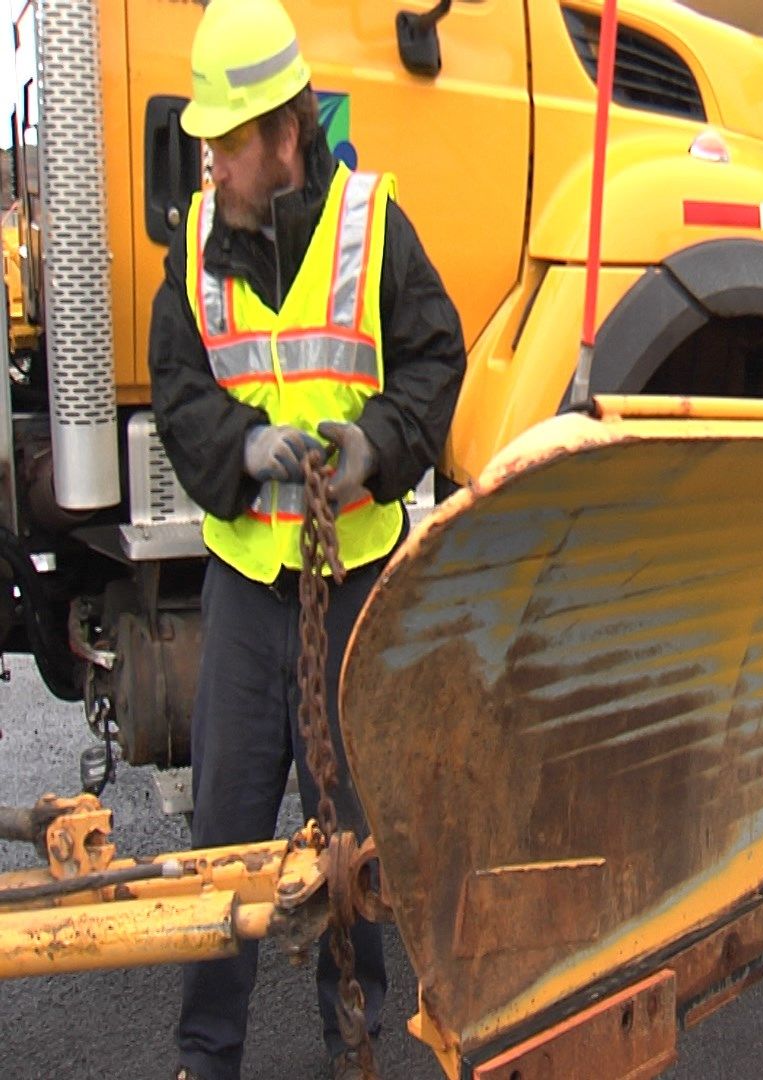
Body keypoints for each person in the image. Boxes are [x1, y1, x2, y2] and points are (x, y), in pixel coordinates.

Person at [148, 1, 466, 1077]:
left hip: (354, 579)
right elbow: (182, 388)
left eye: (226, 141)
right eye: (205, 140)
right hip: (247, 593)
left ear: (284, 135)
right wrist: (243, 451)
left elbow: (434, 362)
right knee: (224, 846)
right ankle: (208, 1054)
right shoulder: (194, 242)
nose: (211, 162)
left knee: (352, 845)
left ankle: (355, 1044)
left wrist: (373, 447)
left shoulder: (375, 227)